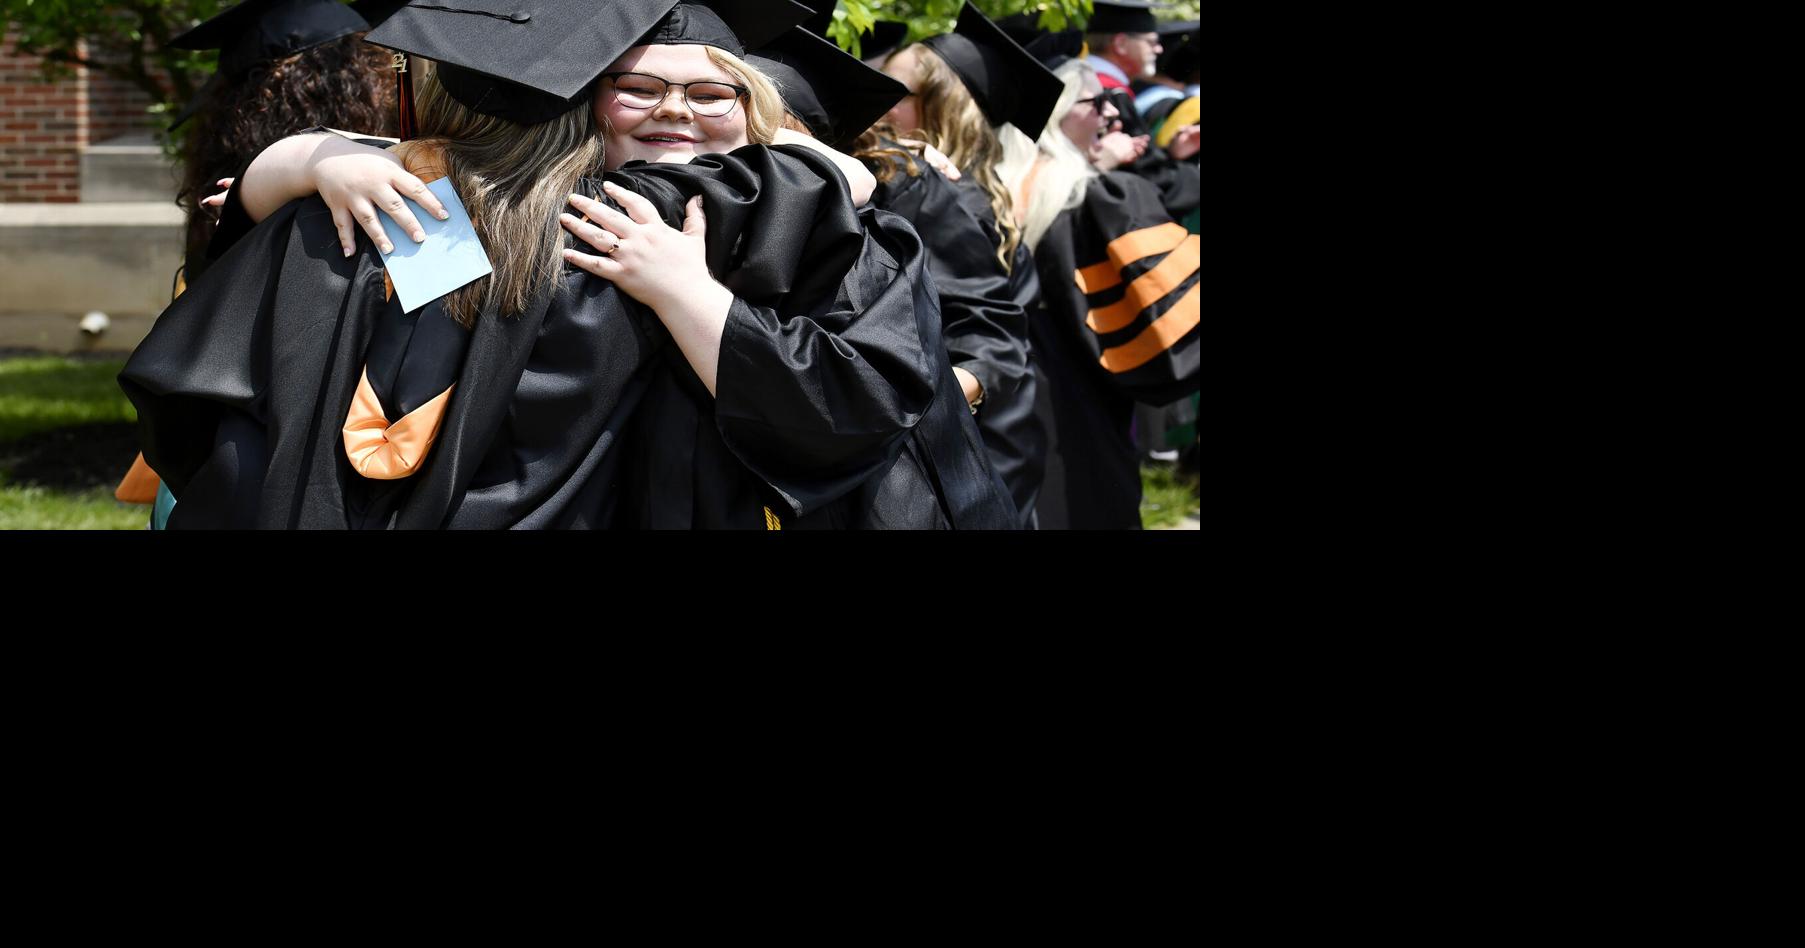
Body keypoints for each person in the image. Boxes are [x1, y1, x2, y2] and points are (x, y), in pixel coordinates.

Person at [120, 0, 973, 529]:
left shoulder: (812, 226)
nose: (675, 110)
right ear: (580, 104)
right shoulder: (475, 216)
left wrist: (687, 292)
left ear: (764, 115)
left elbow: (864, 407)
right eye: (638, 88)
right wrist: (304, 161)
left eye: (714, 94)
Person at [878, 2, 1063, 524]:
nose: (878, 104)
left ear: (943, 106)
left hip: (973, 447)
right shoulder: (944, 186)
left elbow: (987, 339)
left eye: (898, 93)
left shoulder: (951, 201)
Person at [1000, 57, 1200, 529]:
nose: (1113, 113)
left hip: (1019, 371)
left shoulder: (1006, 182)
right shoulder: (1083, 194)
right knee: (1086, 495)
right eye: (1097, 102)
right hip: (1071, 375)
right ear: (1058, 113)